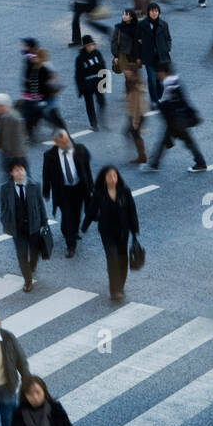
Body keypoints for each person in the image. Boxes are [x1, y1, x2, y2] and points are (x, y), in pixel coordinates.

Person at [83, 165, 139, 301]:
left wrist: (135, 229)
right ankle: (115, 290)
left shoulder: (124, 191)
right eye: (109, 176)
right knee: (112, 257)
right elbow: (91, 210)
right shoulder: (99, 193)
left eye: (114, 175)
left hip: (122, 231)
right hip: (107, 231)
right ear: (104, 178)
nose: (113, 179)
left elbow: (132, 210)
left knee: (122, 259)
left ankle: (120, 285)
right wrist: (85, 225)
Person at [0, 160, 51, 294]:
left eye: (21, 169)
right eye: (16, 170)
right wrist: (6, 222)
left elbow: (40, 205)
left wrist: (44, 222)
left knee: (34, 251)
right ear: (11, 173)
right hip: (18, 229)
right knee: (21, 254)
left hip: (33, 226)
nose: (20, 172)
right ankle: (27, 281)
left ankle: (33, 264)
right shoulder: (5, 188)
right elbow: (4, 208)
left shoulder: (34, 186)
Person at [42, 129, 93, 259]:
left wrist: (91, 186)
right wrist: (46, 191)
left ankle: (73, 233)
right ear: (56, 143)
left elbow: (87, 169)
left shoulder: (80, 150)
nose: (67, 144)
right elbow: (46, 174)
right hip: (62, 190)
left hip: (79, 188)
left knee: (76, 214)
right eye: (63, 142)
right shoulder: (50, 156)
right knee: (67, 217)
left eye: (67, 140)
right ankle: (71, 246)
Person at [72, 35, 107, 131]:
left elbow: (103, 66)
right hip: (87, 83)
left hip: (98, 80)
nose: (91, 47)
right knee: (89, 104)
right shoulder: (80, 58)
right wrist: (80, 89)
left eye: (92, 45)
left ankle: (101, 119)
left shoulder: (97, 53)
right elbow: (78, 75)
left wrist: (104, 81)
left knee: (102, 102)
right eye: (89, 45)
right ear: (85, 46)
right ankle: (93, 124)